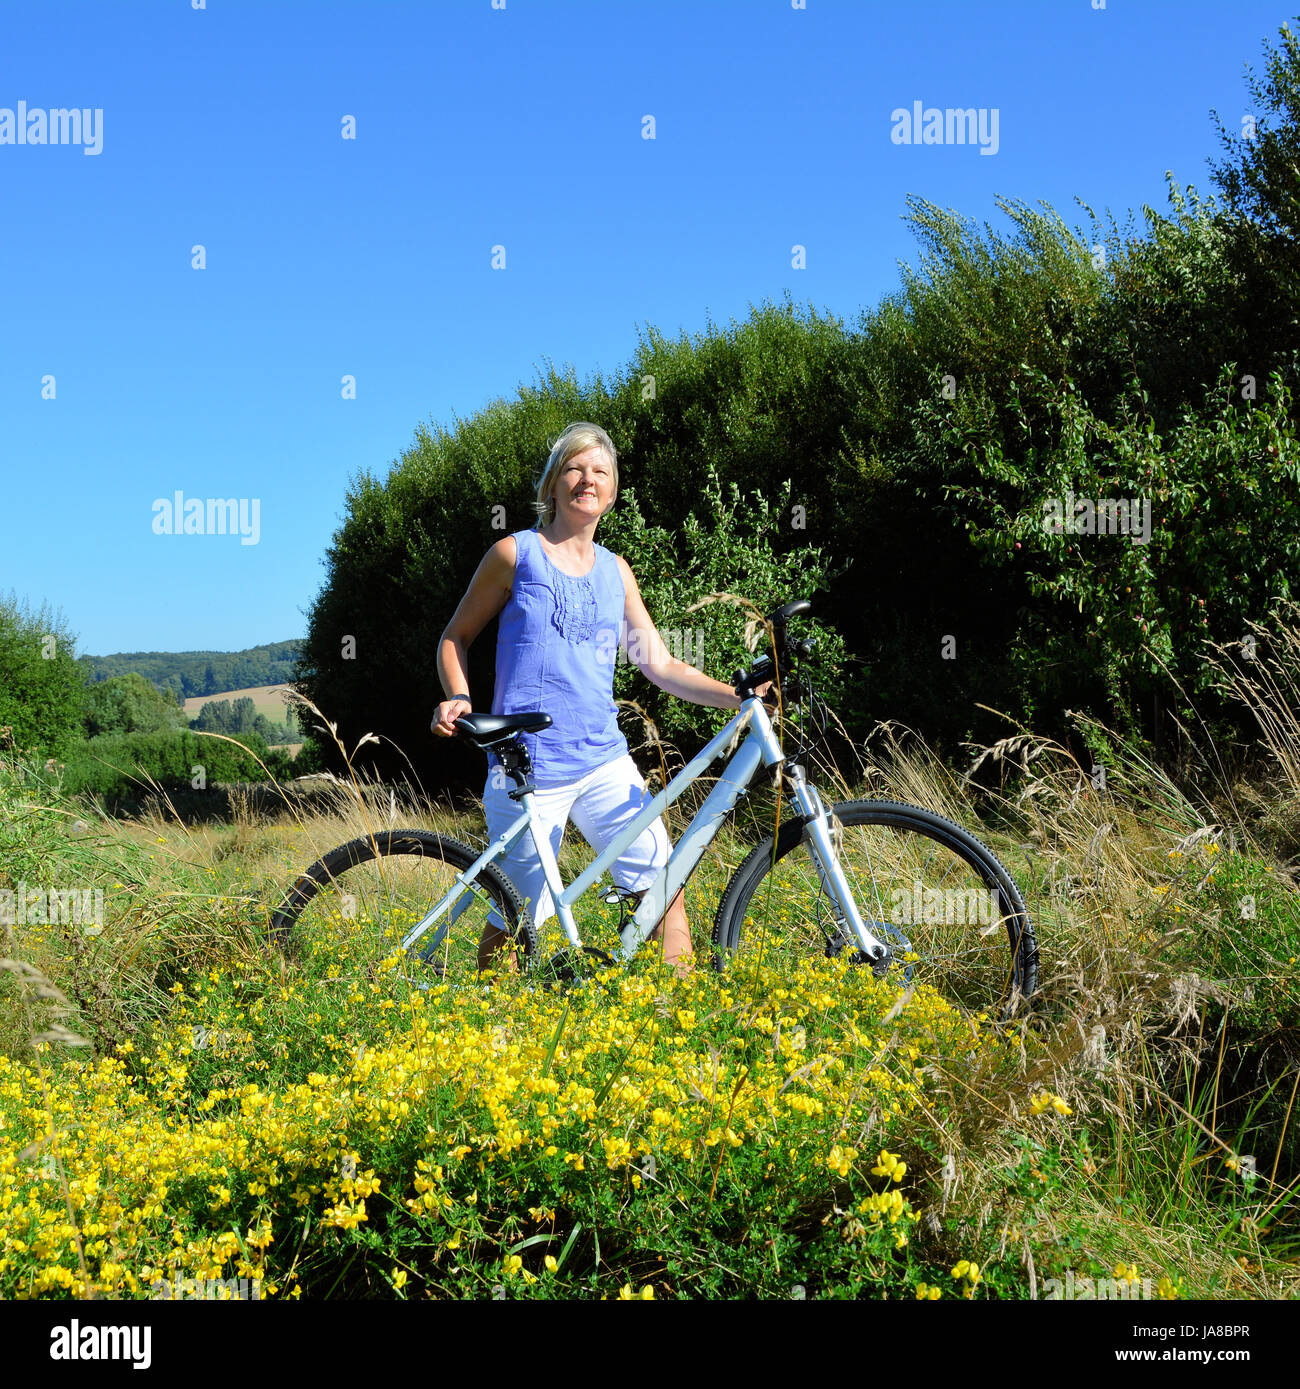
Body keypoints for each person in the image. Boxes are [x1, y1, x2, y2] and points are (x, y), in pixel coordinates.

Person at [431, 421, 758, 974]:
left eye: (600, 472)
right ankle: (487, 1024)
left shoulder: (617, 572)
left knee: (663, 884)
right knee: (517, 913)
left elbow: (659, 663)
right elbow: (454, 637)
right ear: (554, 485)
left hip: (604, 758)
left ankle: (680, 1013)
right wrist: (458, 698)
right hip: (527, 763)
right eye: (576, 469)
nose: (588, 479)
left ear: (611, 492)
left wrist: (739, 696)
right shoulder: (515, 554)